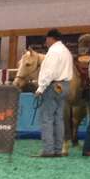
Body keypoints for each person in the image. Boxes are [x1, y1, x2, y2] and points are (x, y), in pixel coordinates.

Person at [34, 28, 74, 158]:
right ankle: (58, 149)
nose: (46, 42)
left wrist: (40, 88)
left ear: (51, 38)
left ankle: (48, 150)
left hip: (52, 86)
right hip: (65, 85)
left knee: (47, 118)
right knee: (59, 118)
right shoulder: (66, 51)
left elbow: (49, 72)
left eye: (46, 39)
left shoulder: (53, 52)